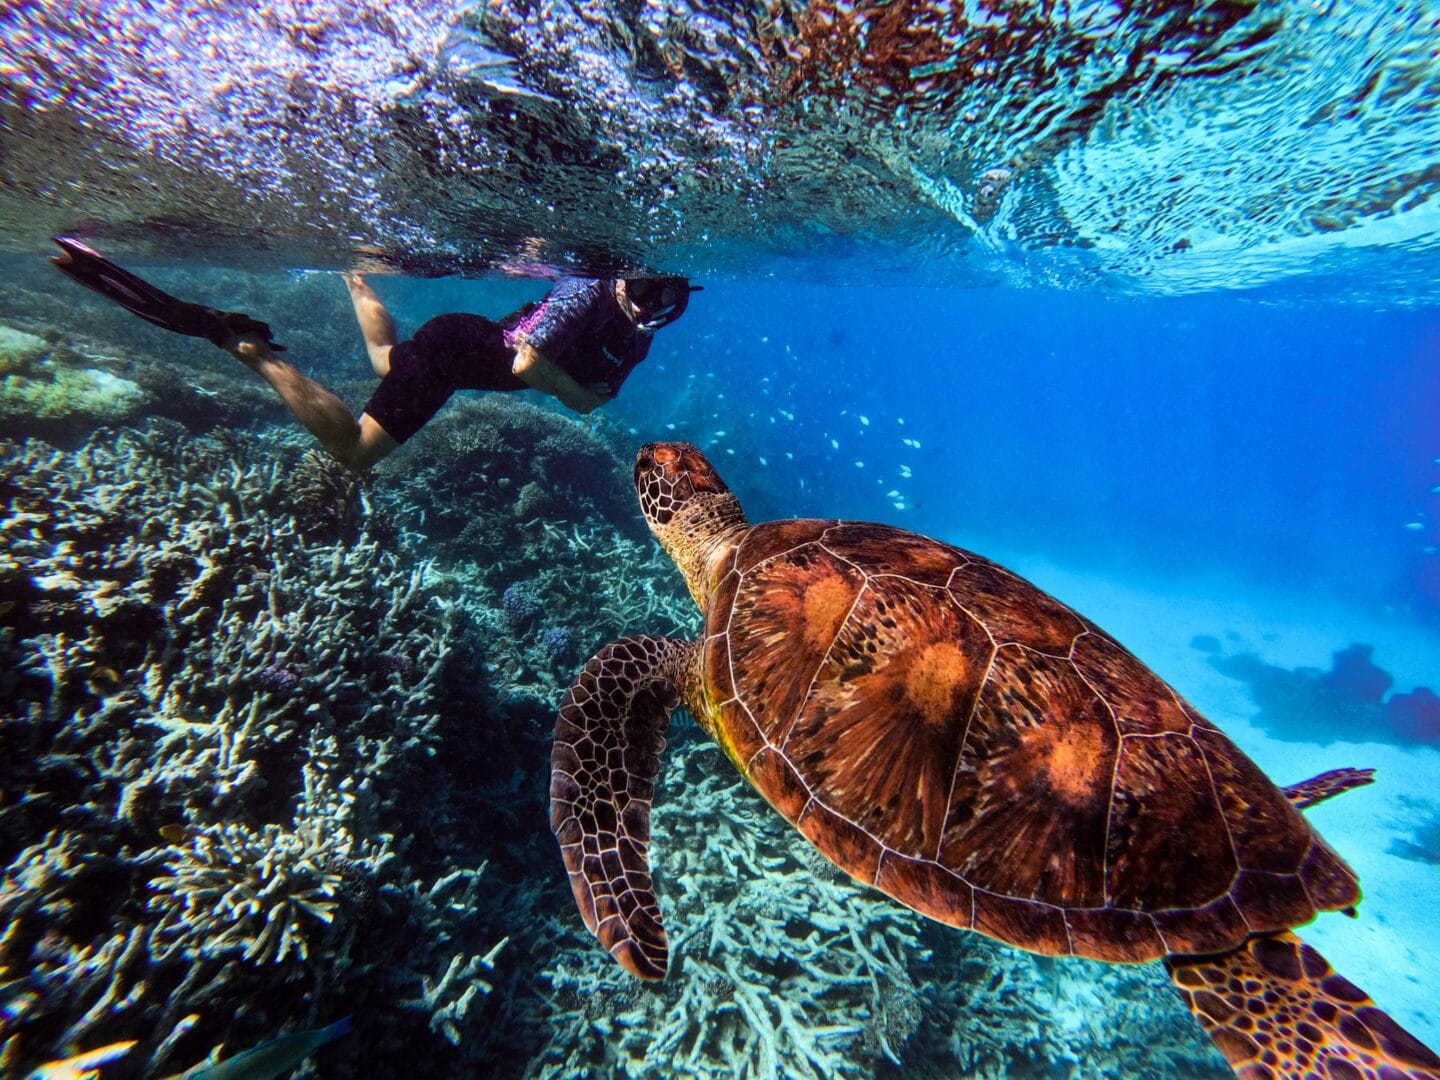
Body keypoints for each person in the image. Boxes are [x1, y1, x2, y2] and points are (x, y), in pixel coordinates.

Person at [49, 237, 696, 470]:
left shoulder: (638, 333)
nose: (648, 307)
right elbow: (537, 371)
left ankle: (353, 275)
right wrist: (574, 389)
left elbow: (585, 400)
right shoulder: (585, 291)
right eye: (642, 289)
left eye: (667, 301)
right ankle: (244, 346)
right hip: (460, 353)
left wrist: (579, 390)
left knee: (388, 360)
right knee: (356, 452)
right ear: (622, 275)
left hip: (463, 351)